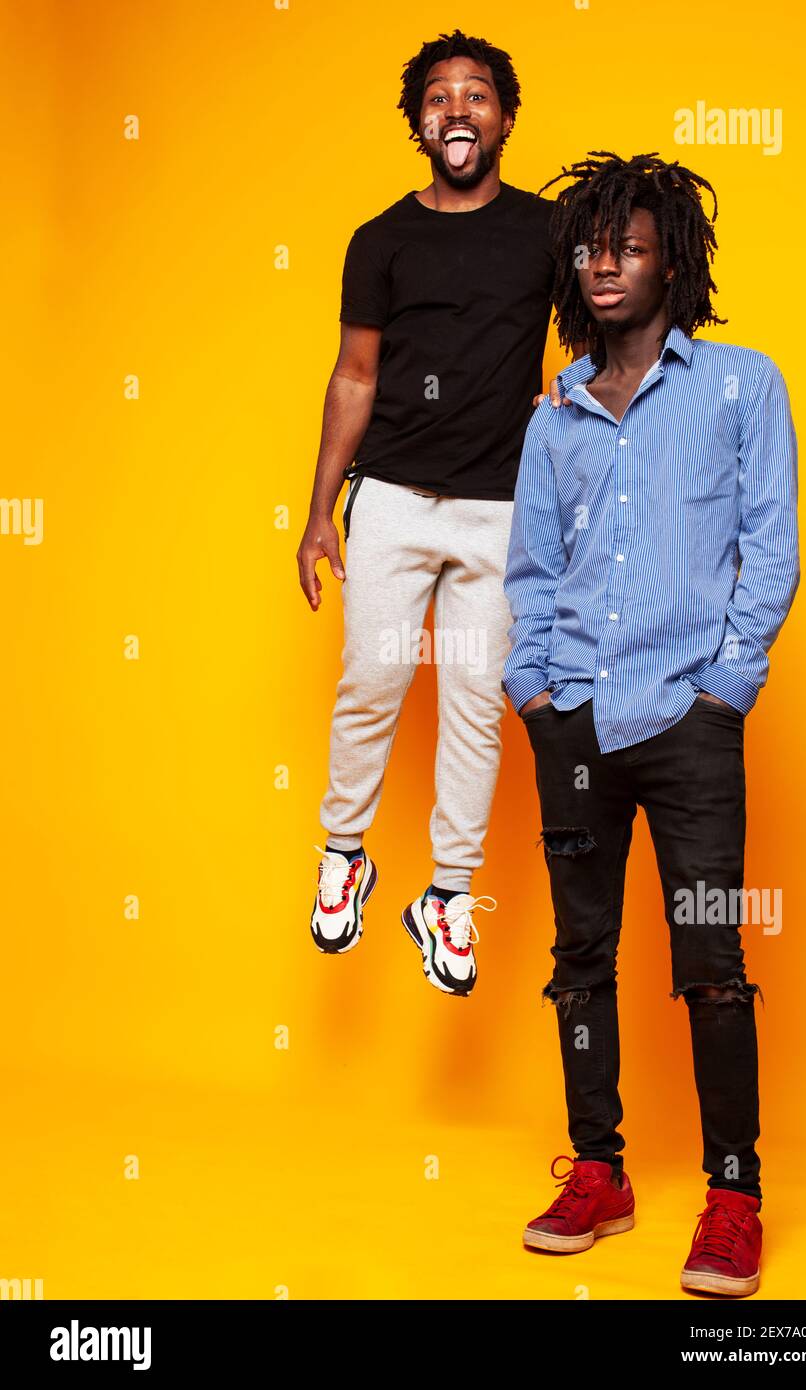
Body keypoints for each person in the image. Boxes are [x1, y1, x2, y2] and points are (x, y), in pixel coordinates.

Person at [503, 152, 799, 1294]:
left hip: (689, 723)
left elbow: (767, 546)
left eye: (626, 244)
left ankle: (733, 1194)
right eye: (589, 247)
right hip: (571, 718)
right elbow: (531, 569)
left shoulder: (740, 384)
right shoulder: (556, 417)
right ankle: (598, 1171)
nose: (604, 263)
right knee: (580, 961)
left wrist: (725, 687)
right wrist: (531, 691)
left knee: (710, 958)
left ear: (669, 255)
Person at [298, 31, 554, 995]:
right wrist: (320, 513)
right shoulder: (383, 239)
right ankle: (345, 851)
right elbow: (353, 376)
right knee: (372, 677)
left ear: (503, 118)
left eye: (477, 95)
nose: (458, 109)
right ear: (418, 123)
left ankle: (447, 896)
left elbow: (607, 324)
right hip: (396, 498)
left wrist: (567, 405)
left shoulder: (546, 232)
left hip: (501, 512)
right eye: (440, 97)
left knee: (475, 706)